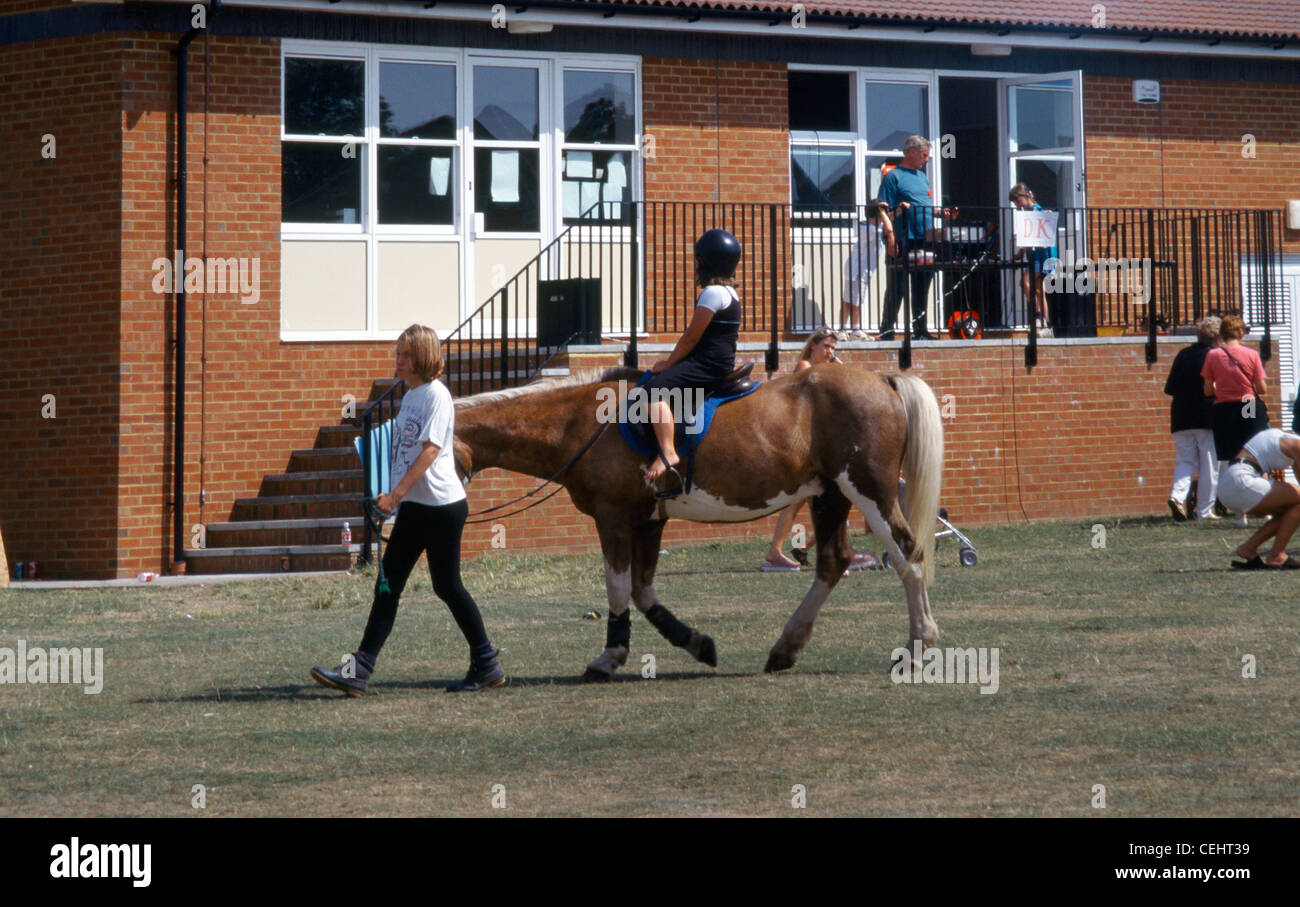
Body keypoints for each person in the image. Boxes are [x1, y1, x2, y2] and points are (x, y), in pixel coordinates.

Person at [311, 324, 507, 696]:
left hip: (442, 507)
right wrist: (388, 495)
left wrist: (395, 495)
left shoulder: (437, 396)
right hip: (416, 506)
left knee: (448, 586)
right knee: (388, 587)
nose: (397, 360)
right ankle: (359, 670)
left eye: (404, 354)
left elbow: (430, 451)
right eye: (397, 353)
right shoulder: (412, 395)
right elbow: (404, 452)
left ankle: (487, 663)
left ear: (422, 356)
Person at [761, 328, 879, 572]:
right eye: (826, 346)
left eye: (833, 348)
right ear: (812, 346)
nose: (829, 352)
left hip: (815, 446)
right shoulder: (805, 368)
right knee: (811, 499)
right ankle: (829, 551)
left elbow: (847, 377)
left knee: (821, 498)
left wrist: (834, 361)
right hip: (802, 444)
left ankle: (804, 549)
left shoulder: (823, 369)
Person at [642, 228, 742, 493]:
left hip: (707, 363)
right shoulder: (731, 293)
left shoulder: (712, 293)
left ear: (705, 262)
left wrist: (668, 363)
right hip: (717, 361)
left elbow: (690, 337)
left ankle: (667, 452)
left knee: (653, 390)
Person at [878, 135, 949, 341]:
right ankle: (887, 330)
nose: (926, 159)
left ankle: (920, 330)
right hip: (902, 240)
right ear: (911, 152)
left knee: (921, 285)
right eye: (924, 155)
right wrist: (890, 237)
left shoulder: (922, 176)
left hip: (925, 239)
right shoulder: (893, 177)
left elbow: (922, 205)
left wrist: (939, 213)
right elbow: (883, 211)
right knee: (897, 287)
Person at [1164, 316, 1222, 522]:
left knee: (1185, 460)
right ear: (1218, 337)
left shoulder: (1183, 354)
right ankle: (1205, 510)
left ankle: (1177, 497)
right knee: (1209, 464)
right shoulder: (1217, 356)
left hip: (1180, 415)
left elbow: (1169, 388)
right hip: (1206, 415)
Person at [1222, 428, 1300, 569]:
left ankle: (1248, 549)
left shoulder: (1287, 439)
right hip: (1242, 481)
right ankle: (1277, 555)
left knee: (1292, 508)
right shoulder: (1297, 445)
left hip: (1230, 483)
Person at [1201, 314, 1269, 474]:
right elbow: (1262, 389)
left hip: (1223, 408)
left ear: (1222, 333)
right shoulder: (1252, 354)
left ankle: (1231, 490)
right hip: (1248, 404)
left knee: (1229, 454)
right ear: (1240, 333)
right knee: (1251, 448)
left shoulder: (1213, 355)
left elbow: (1207, 390)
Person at [1009, 183, 1057, 337]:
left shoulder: (1036, 211)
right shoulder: (1028, 212)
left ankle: (1039, 317)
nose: (1018, 205)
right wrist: (1020, 252)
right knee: (1038, 289)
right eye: (1015, 203)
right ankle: (1046, 324)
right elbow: (1028, 236)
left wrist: (1022, 250)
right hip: (1035, 255)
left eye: (1018, 201)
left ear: (1027, 196)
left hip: (1041, 255)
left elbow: (1034, 234)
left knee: (1026, 282)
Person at [840, 200, 895, 336]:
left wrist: (897, 210)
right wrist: (882, 211)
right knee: (853, 301)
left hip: (858, 270)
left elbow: (889, 220)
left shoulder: (870, 227)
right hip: (858, 271)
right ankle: (854, 330)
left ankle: (845, 329)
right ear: (875, 216)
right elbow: (889, 229)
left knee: (850, 299)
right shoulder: (868, 230)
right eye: (881, 216)